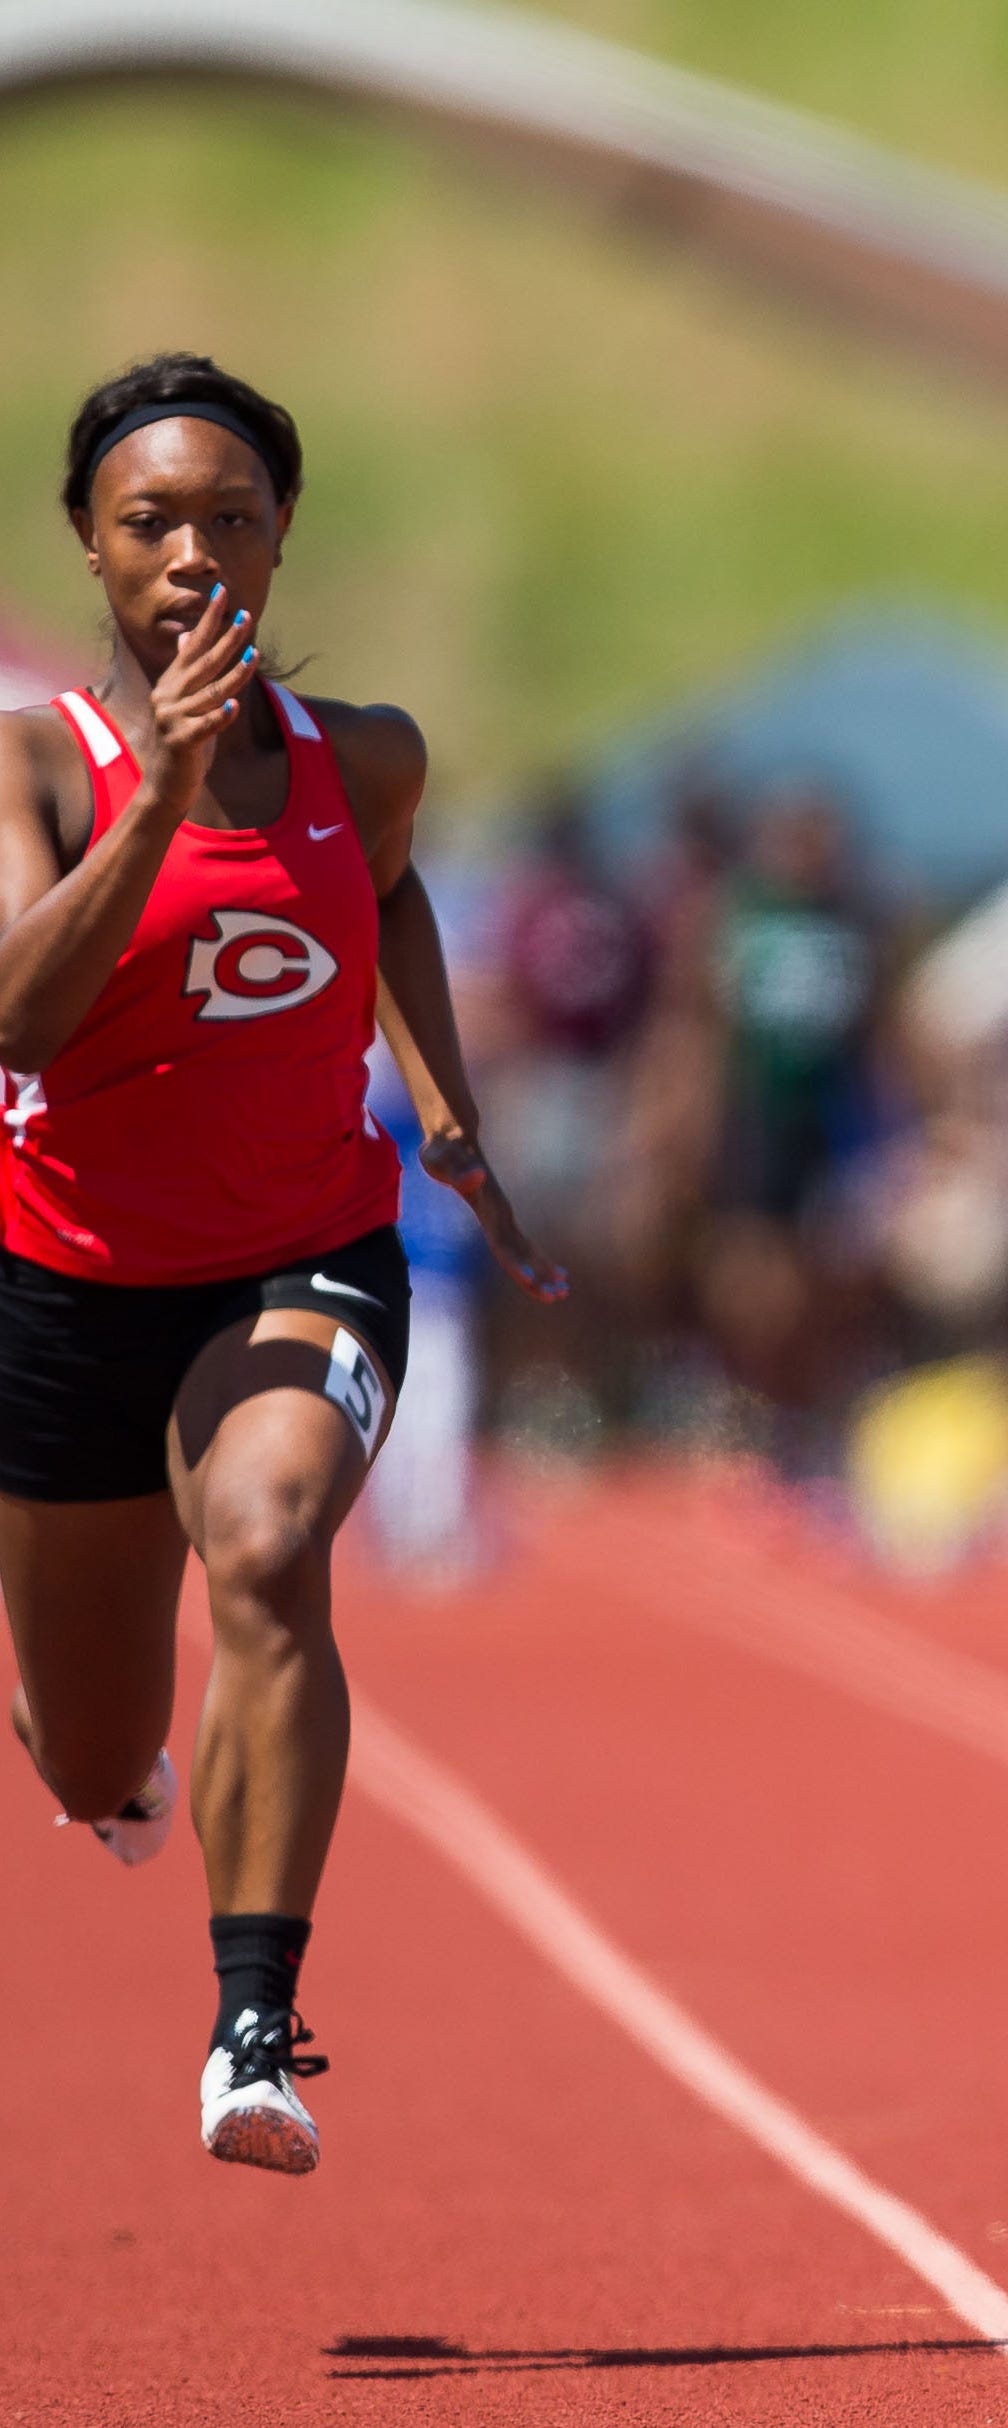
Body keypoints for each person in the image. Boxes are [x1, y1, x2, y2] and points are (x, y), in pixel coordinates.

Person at [0, 355, 561, 2173]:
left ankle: (255, 2022)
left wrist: (445, 1106)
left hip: (303, 1252)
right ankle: (111, 1760)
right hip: (72, 1285)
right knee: (94, 1763)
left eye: (230, 519)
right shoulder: (32, 762)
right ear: (87, 542)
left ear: (283, 535)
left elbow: (383, 885)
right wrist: (156, 801)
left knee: (267, 1543)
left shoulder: (366, 757)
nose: (191, 557)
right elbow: (15, 1023)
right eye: (149, 522)